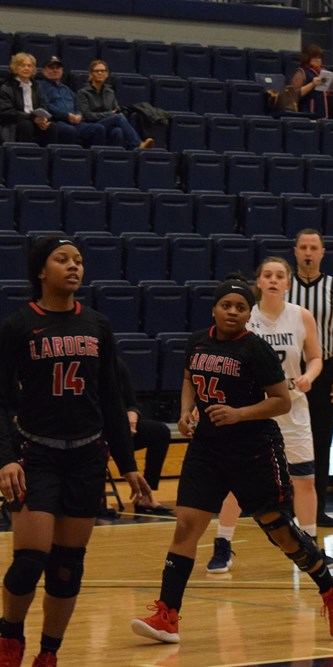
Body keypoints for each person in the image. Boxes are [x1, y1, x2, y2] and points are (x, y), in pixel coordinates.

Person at [129, 277, 333, 645]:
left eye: (240, 307)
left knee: (279, 530)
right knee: (186, 525)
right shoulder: (197, 341)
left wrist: (239, 413)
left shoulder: (256, 349)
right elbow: (189, 379)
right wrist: (185, 412)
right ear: (214, 309)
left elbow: (281, 401)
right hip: (207, 448)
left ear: (249, 314)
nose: (232, 311)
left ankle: (331, 589)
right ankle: (167, 614)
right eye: (226, 305)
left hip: (254, 449)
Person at [0, 236, 152, 666]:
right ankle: (9, 637)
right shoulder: (18, 326)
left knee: (67, 567)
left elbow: (111, 401)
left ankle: (48, 654)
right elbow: (1, 401)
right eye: (62, 259)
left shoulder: (97, 325)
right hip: (36, 454)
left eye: (79, 260)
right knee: (30, 560)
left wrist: (128, 464)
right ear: (40, 271)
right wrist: (5, 457)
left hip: (87, 456)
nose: (73, 266)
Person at [208, 258, 333, 574]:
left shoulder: (301, 315)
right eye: (268, 275)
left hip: (292, 406)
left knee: (305, 480)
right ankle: (222, 543)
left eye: (280, 276)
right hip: (253, 408)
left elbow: (316, 357)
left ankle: (311, 544)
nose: (274, 280)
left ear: (288, 283)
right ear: (259, 281)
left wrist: (310, 376)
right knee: (238, 481)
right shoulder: (246, 315)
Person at [287, 229, 333, 528]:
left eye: (314, 247)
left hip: (323, 370)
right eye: (303, 247)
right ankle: (285, 505)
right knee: (284, 439)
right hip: (288, 369)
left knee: (320, 441)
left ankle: (317, 509)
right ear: (295, 251)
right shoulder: (284, 286)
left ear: (322, 252)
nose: (308, 252)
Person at [116, 356, 174, 516]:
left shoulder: (117, 364)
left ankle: (146, 495)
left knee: (160, 432)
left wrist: (133, 415)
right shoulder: (88, 365)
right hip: (97, 429)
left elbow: (131, 402)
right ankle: (99, 498)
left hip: (120, 427)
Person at [75, 60, 153, 150]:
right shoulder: (83, 93)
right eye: (97, 71)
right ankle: (137, 144)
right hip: (91, 125)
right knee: (118, 118)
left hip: (107, 124)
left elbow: (116, 110)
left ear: (107, 74)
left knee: (117, 131)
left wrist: (112, 114)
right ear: (91, 74)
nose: (100, 73)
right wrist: (110, 114)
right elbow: (87, 115)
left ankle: (115, 155)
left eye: (103, 71)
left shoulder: (110, 92)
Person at [0, 53, 74, 145]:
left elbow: (43, 105)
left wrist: (43, 119)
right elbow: (6, 112)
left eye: (29, 66)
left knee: (52, 127)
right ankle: (25, 152)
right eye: (23, 65)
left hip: (35, 120)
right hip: (14, 122)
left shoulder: (36, 86)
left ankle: (48, 154)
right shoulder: (6, 87)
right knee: (27, 125)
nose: (26, 68)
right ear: (15, 68)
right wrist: (32, 118)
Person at [36, 56, 107, 148]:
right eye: (51, 68)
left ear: (62, 70)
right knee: (70, 130)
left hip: (75, 122)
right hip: (56, 121)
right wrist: (66, 116)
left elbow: (77, 104)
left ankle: (93, 156)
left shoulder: (66, 88)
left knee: (98, 128)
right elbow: (46, 106)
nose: (55, 70)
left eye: (58, 68)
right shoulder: (40, 86)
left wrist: (79, 115)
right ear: (44, 71)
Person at [289, 44, 333, 118]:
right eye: (314, 57)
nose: (318, 60)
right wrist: (312, 84)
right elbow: (294, 94)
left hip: (323, 112)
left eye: (319, 57)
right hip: (307, 112)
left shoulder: (324, 73)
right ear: (307, 57)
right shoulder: (302, 72)